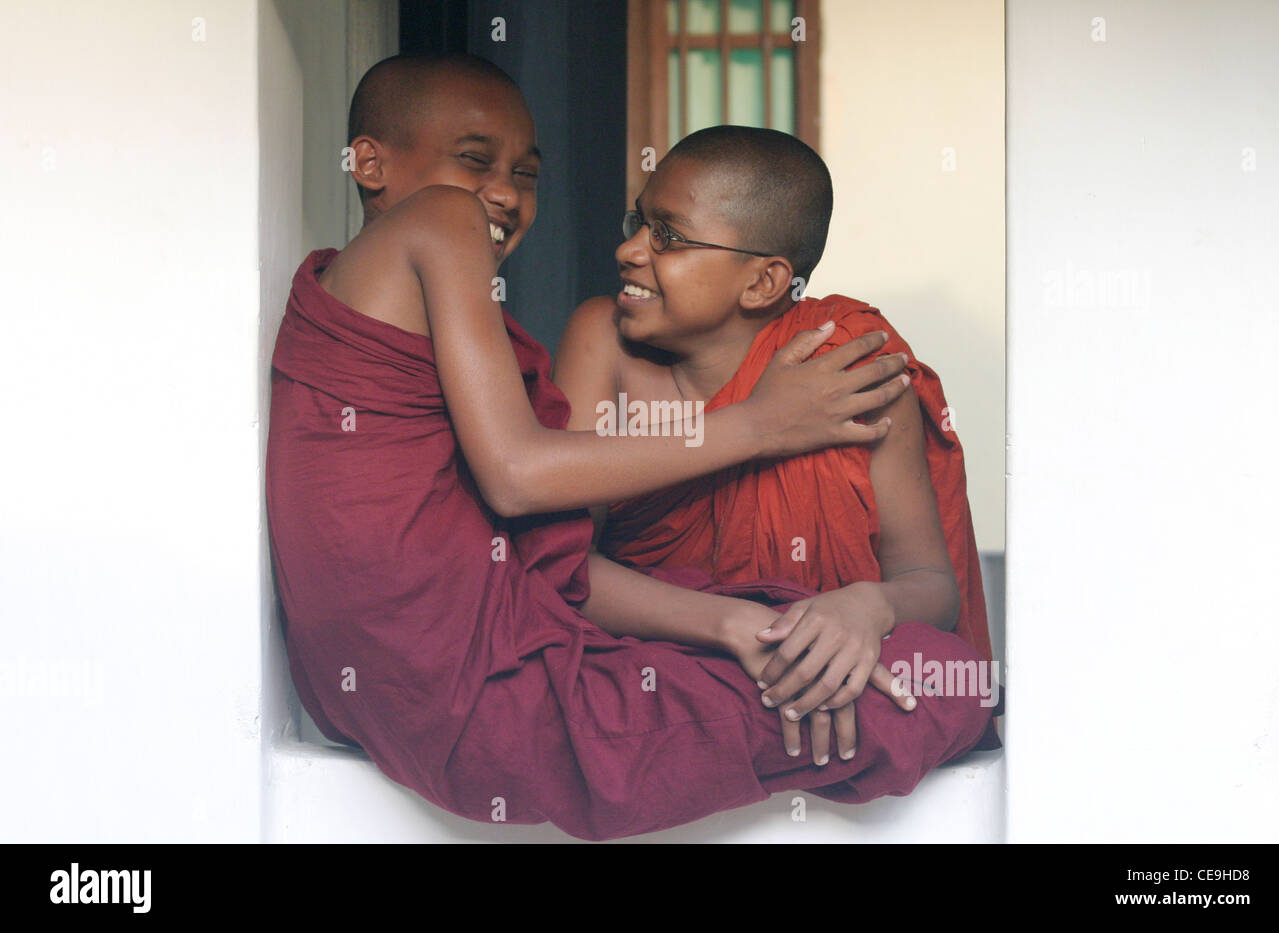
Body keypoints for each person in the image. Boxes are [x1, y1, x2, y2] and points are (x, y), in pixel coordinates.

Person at [266, 53, 994, 841]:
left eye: (524, 173)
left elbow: (535, 547)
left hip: (425, 674)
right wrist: (761, 425)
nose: (504, 193)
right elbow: (522, 487)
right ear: (368, 163)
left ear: (763, 282)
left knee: (880, 650)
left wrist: (844, 611)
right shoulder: (448, 224)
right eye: (476, 161)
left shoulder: (840, 364)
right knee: (942, 683)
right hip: (480, 684)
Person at [554, 125, 1000, 762]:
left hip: (810, 644)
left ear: (764, 282)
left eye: (667, 236)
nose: (628, 250)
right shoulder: (603, 339)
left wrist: (865, 609)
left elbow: (929, 582)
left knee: (940, 676)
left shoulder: (848, 367)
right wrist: (738, 627)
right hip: (662, 641)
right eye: (638, 222)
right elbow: (564, 564)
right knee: (581, 686)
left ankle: (761, 719)